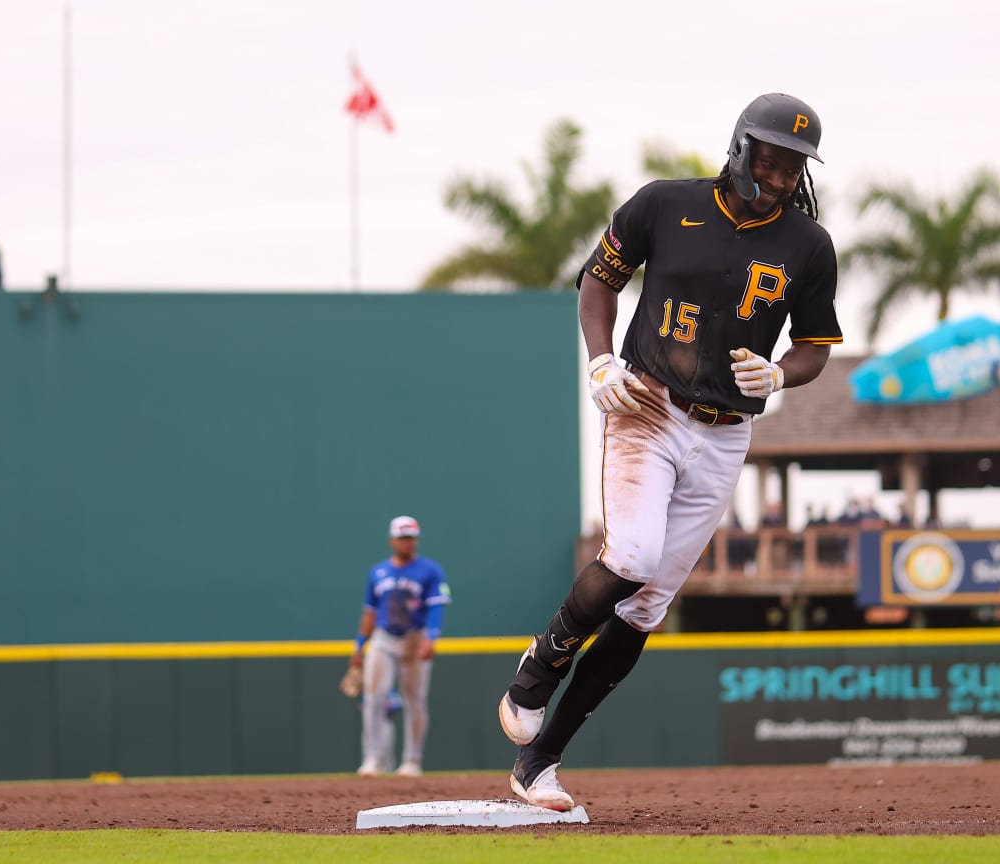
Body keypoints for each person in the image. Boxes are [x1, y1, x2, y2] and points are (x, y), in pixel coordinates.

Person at [494, 93, 841, 811]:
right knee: (633, 556)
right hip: (648, 405)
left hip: (726, 432)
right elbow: (599, 280)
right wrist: (598, 362)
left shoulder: (808, 243)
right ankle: (541, 663)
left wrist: (781, 374)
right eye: (772, 160)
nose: (781, 178)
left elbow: (813, 349)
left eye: (794, 166)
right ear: (743, 147)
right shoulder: (663, 203)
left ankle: (539, 763)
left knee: (647, 608)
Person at [343, 515, 450, 777]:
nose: (407, 542)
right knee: (373, 699)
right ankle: (373, 759)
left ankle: (412, 761)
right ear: (392, 540)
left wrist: (431, 638)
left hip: (415, 637)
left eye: (411, 538)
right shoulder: (378, 571)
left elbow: (436, 607)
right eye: (402, 537)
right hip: (383, 638)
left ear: (416, 540)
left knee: (415, 700)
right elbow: (369, 611)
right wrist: (359, 646)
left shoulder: (430, 570)